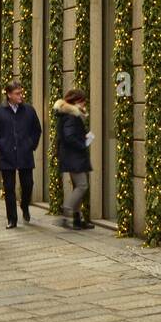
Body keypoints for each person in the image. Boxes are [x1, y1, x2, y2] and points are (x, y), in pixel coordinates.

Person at [0, 81, 42, 229]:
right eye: (17, 93)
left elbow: (37, 130)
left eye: (21, 93)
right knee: (9, 188)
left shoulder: (29, 110)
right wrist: (1, 145)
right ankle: (12, 219)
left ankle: (24, 205)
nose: (20, 96)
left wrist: (31, 144)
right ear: (9, 95)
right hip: (7, 155)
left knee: (28, 184)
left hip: (25, 154)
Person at [54, 89, 95, 230]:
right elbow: (69, 136)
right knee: (82, 186)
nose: (85, 104)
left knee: (79, 186)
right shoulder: (72, 116)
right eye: (83, 101)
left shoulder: (70, 114)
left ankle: (78, 219)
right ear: (76, 101)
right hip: (74, 157)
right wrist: (83, 144)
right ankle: (66, 212)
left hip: (73, 157)